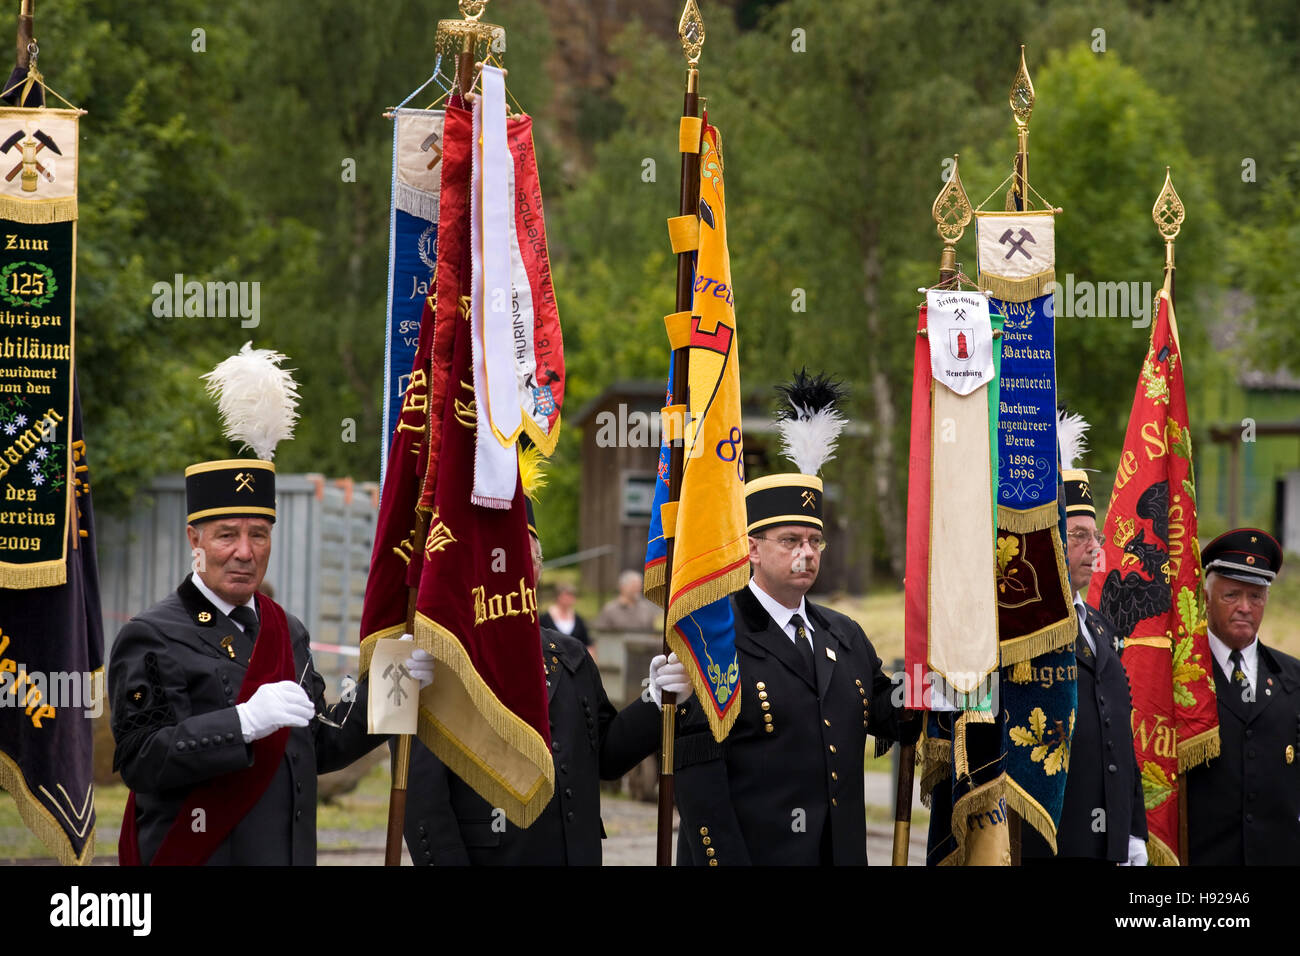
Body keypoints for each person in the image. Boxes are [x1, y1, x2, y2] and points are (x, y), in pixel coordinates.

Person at [109, 346, 431, 865]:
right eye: (226, 535)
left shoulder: (288, 628)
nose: (244, 551)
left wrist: (395, 685)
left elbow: (318, 746)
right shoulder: (151, 634)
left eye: (258, 533)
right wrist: (240, 723)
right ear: (195, 538)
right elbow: (141, 760)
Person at [669, 371, 915, 865]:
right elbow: (700, 788)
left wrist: (937, 680)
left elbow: (887, 713)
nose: (807, 553)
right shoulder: (717, 635)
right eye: (791, 541)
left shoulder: (842, 634)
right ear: (752, 549)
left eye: (814, 541)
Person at [402, 494, 668, 865]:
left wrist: (655, 701)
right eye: (502, 557)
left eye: (527, 558)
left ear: (539, 570)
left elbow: (604, 758)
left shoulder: (571, 655)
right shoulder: (445, 660)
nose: (517, 571)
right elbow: (425, 803)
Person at [1022, 410, 1147, 864]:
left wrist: (1133, 831)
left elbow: (1120, 737)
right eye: (1078, 536)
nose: (1095, 549)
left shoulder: (1099, 626)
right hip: (1049, 841)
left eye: (1096, 536)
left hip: (1106, 842)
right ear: (1050, 539)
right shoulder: (1023, 629)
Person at [1187, 529, 1300, 865]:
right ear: (1205, 598)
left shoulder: (1292, 678)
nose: (1245, 608)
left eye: (1256, 597)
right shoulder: (1181, 677)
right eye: (1231, 595)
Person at [594, 569, 661, 632]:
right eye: (633, 586)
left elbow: (652, 634)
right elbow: (600, 634)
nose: (636, 589)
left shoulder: (646, 608)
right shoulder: (610, 609)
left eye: (639, 586)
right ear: (622, 587)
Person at [540, 581, 593, 659]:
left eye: (572, 595)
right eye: (567, 595)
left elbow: (587, 644)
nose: (570, 598)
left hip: (575, 663)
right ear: (558, 596)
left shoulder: (578, 619)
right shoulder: (544, 619)